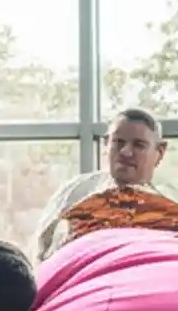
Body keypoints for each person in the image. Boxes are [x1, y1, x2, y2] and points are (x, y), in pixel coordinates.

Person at [33, 107, 173, 262]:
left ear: (160, 152)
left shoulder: (171, 205)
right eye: (118, 142)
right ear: (106, 143)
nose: (126, 152)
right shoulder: (74, 193)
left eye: (139, 145)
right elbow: (41, 255)